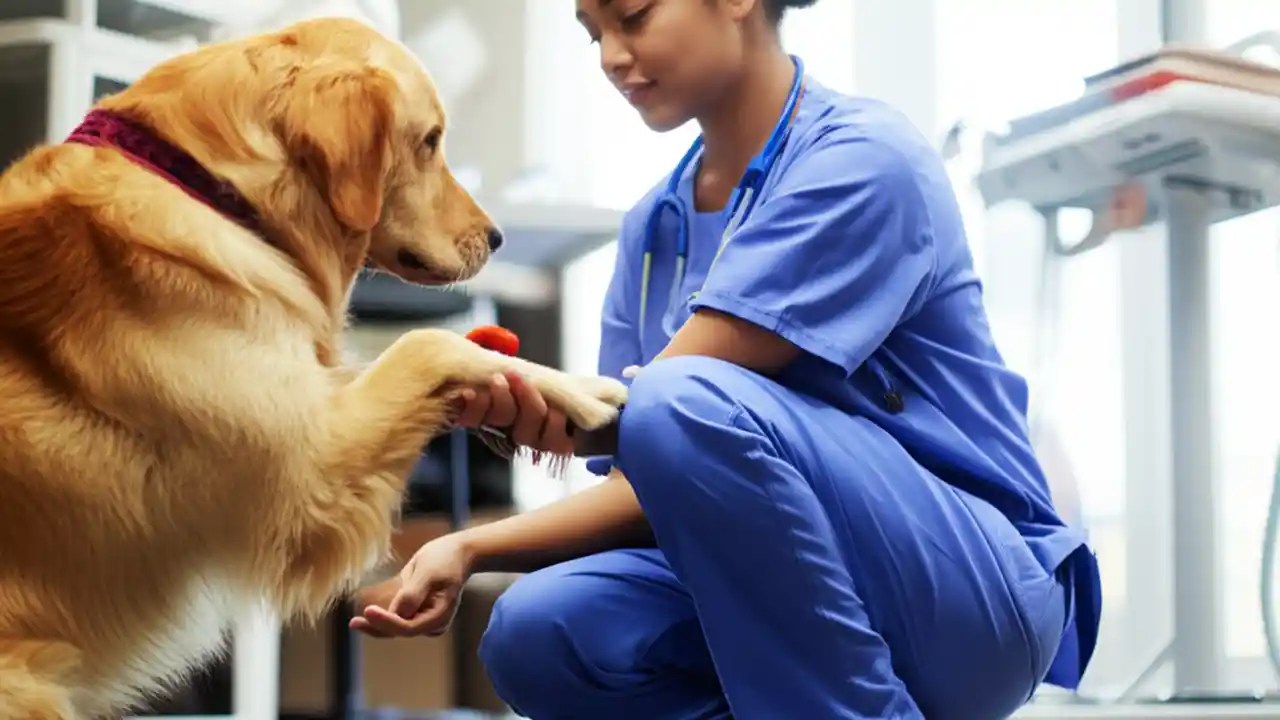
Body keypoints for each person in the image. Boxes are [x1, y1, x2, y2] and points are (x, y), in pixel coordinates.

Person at [350, 1, 1103, 718]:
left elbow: (659, 413)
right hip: (792, 603)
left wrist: (563, 412)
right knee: (538, 633)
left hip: (970, 594)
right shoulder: (654, 229)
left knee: (679, 399)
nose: (612, 56)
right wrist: (470, 545)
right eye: (592, 33)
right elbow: (662, 474)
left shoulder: (868, 159)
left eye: (635, 16)